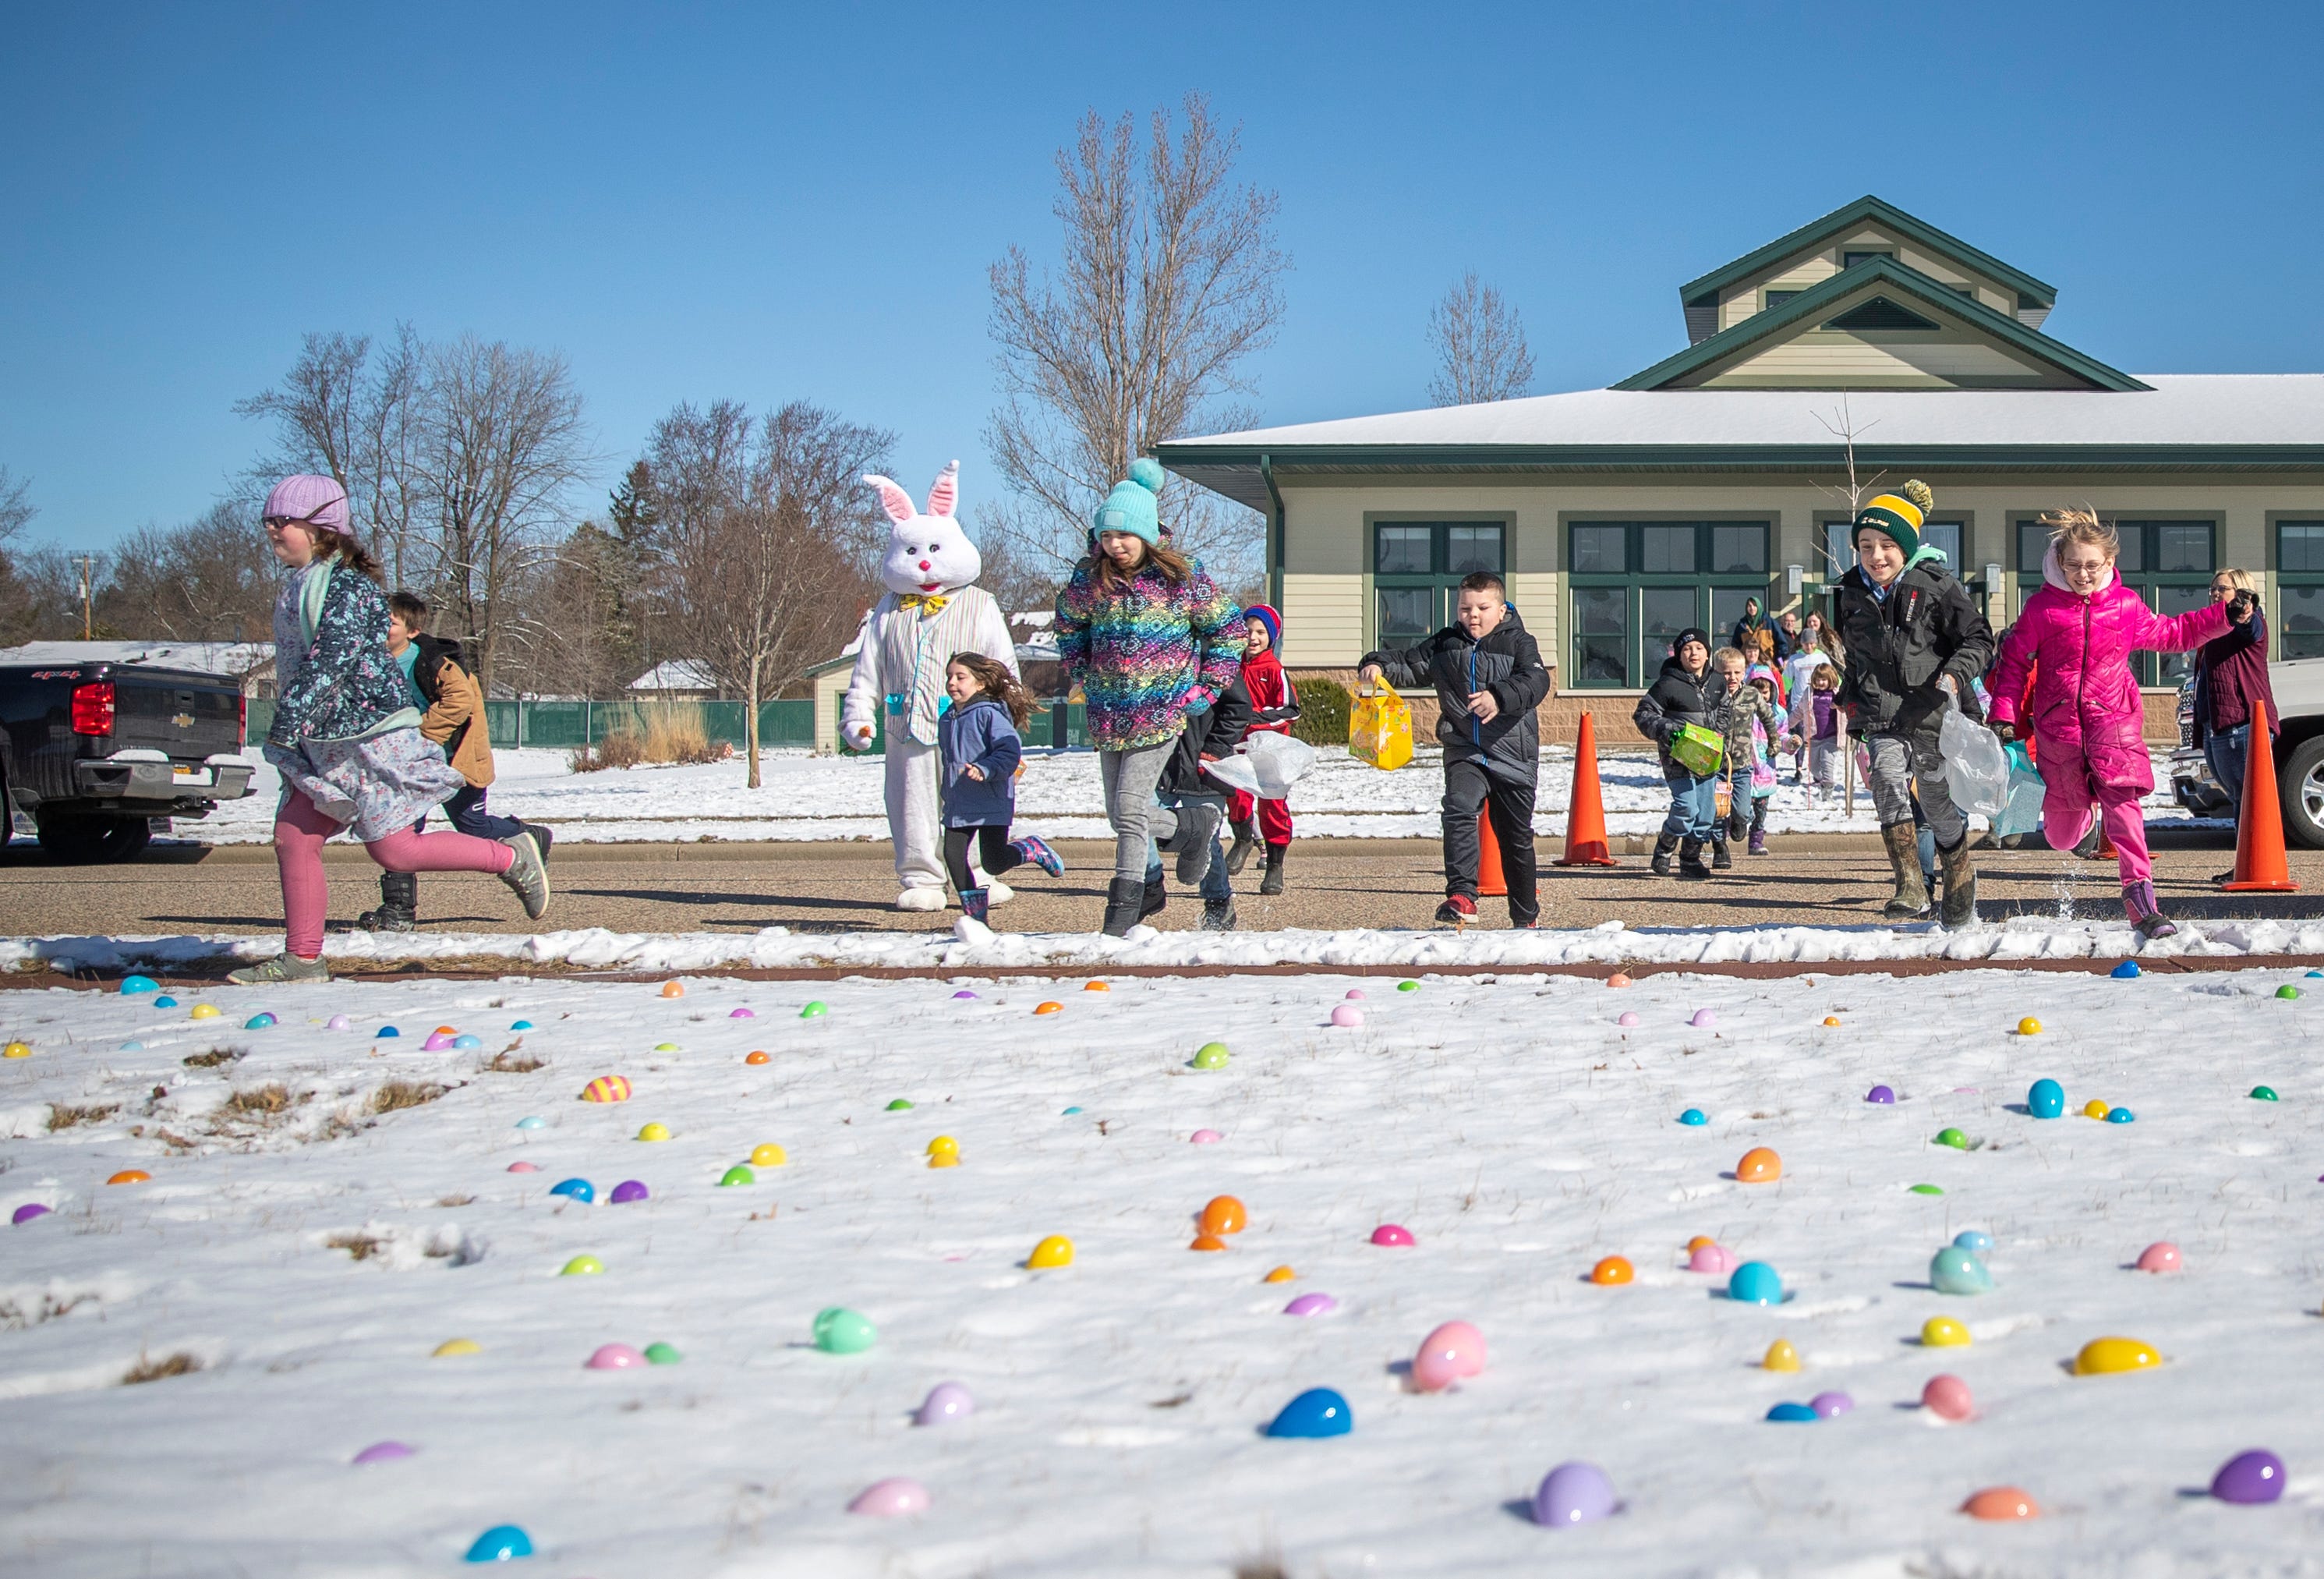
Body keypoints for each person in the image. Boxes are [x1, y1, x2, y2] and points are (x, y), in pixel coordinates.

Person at [231, 476, 548, 983]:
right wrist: (297, 728)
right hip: (325, 743)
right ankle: (304, 960)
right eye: (267, 520)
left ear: (320, 526)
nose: (271, 529)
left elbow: (332, 659)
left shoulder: (348, 587)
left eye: (282, 520)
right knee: (295, 836)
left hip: (369, 740)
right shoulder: (300, 585)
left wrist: (286, 721)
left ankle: (510, 856)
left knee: (395, 850)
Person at [1988, 509, 2230, 939]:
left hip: (2113, 725)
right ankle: (2083, 818)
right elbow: (2013, 665)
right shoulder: (2042, 609)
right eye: (2074, 565)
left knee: (2125, 811)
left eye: (2092, 565)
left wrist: (2225, 616)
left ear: (2109, 563)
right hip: (2059, 735)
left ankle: (2143, 904)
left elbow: (2173, 633)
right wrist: (2004, 716)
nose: (2083, 574)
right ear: (2059, 562)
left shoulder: (2125, 606)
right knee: (2062, 837)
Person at [1053, 458, 1243, 936]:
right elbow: (1069, 626)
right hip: (1108, 714)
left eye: (1125, 535)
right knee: (1119, 814)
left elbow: (1228, 630)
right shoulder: (1090, 579)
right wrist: (1080, 672)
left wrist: (1207, 686)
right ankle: (1192, 827)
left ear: (1147, 534)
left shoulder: (1182, 578)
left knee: (1131, 810)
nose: (1115, 545)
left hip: (1161, 711)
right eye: (1107, 535)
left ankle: (1122, 912)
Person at [1831, 480, 1994, 926]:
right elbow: (1855, 654)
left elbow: (1980, 639)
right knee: (1886, 779)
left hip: (1931, 709)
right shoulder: (1851, 592)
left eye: (1886, 545)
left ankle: (1960, 873)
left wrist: (1955, 673)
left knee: (1937, 803)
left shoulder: (1936, 585)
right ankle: (1909, 882)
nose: (1876, 556)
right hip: (1880, 710)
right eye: (1866, 546)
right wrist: (1848, 694)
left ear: (1905, 548)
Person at [1358, 572, 1551, 926]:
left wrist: (1499, 697)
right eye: (1465, 608)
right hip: (1465, 749)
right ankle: (1462, 896)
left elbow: (1536, 680)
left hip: (1513, 755)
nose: (1472, 615)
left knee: (1515, 839)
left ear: (1501, 610)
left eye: (1482, 608)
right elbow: (1409, 663)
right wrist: (1376, 664)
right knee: (1458, 808)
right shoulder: (1446, 644)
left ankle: (1525, 918)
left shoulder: (1520, 642)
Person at [355, 591, 553, 933]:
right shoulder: (370, 663)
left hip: (453, 760)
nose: (379, 627)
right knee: (400, 830)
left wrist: (418, 734)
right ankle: (399, 910)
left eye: (389, 622)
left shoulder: (434, 663)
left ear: (412, 631)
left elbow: (460, 701)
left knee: (473, 826)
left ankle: (528, 837)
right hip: (407, 767)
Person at [936, 653, 1064, 933]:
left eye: (960, 677)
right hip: (959, 801)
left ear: (981, 684)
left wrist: (985, 769)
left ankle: (1030, 848)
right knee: (953, 855)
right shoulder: (947, 718)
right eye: (949, 677)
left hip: (990, 801)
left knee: (994, 862)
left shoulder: (989, 713)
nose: (952, 683)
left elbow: (1009, 752)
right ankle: (976, 921)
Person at [1151, 671, 1255, 930]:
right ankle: (1147, 887)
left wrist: (1216, 747)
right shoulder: (1153, 655)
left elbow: (1240, 706)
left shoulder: (1214, 658)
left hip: (1201, 766)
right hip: (1157, 766)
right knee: (1136, 822)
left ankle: (1218, 900)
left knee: (1207, 839)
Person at [1633, 628, 1727, 880]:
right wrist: (1669, 730)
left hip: (1707, 758)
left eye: (1698, 648)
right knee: (1686, 808)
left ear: (1707, 653)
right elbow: (1642, 714)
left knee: (1706, 814)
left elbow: (1725, 710)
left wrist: (1719, 737)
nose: (1693, 653)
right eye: (1687, 649)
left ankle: (1690, 860)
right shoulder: (1668, 683)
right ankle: (1664, 848)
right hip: (1677, 757)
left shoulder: (1718, 682)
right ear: (1678, 654)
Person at [2192, 566, 2277, 832]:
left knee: (2248, 796)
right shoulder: (2214, 627)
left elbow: (2251, 629)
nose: (2216, 594)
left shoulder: (2249, 621)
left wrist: (2244, 612)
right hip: (2215, 725)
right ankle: (2245, 854)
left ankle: (2254, 856)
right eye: (2213, 589)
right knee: (2237, 795)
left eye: (2223, 589)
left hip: (2241, 723)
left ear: (2241, 591)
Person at [1223, 603, 1298, 894]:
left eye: (1260, 632)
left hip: (1271, 749)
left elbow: (1290, 710)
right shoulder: (1232, 666)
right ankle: (1243, 840)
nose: (1252, 637)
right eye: (1247, 631)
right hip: (1239, 744)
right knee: (1236, 794)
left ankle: (1275, 865)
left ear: (1271, 637)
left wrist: (1254, 718)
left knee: (1272, 805)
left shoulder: (1274, 669)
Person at [1706, 646, 1782, 869]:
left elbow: (1768, 718)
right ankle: (1720, 848)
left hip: (1741, 766)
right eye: (1726, 673)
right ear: (1717, 672)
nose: (1732, 677)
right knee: (1717, 810)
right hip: (1716, 764)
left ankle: (1739, 823)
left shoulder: (1751, 695)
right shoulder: (1710, 695)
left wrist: (1774, 741)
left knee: (1741, 811)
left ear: (1744, 672)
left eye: (1737, 673)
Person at [1743, 662, 1792, 855]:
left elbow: (1782, 736)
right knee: (1741, 809)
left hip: (1765, 771)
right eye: (1756, 692)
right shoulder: (1742, 711)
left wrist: (1790, 743)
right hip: (1744, 771)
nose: (1761, 697)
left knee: (1761, 812)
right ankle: (1731, 831)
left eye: (1764, 692)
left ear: (1772, 691)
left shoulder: (1778, 714)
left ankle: (1756, 842)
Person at [1805, 664, 1844, 799]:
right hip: (1815, 737)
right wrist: (1787, 724)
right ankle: (1821, 779)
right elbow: (1799, 711)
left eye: (1824, 680)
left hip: (1831, 736)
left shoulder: (1835, 694)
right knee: (1813, 768)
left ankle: (1827, 791)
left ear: (1831, 679)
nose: (1821, 683)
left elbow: (1845, 710)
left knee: (1827, 763)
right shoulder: (1810, 694)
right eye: (1818, 679)